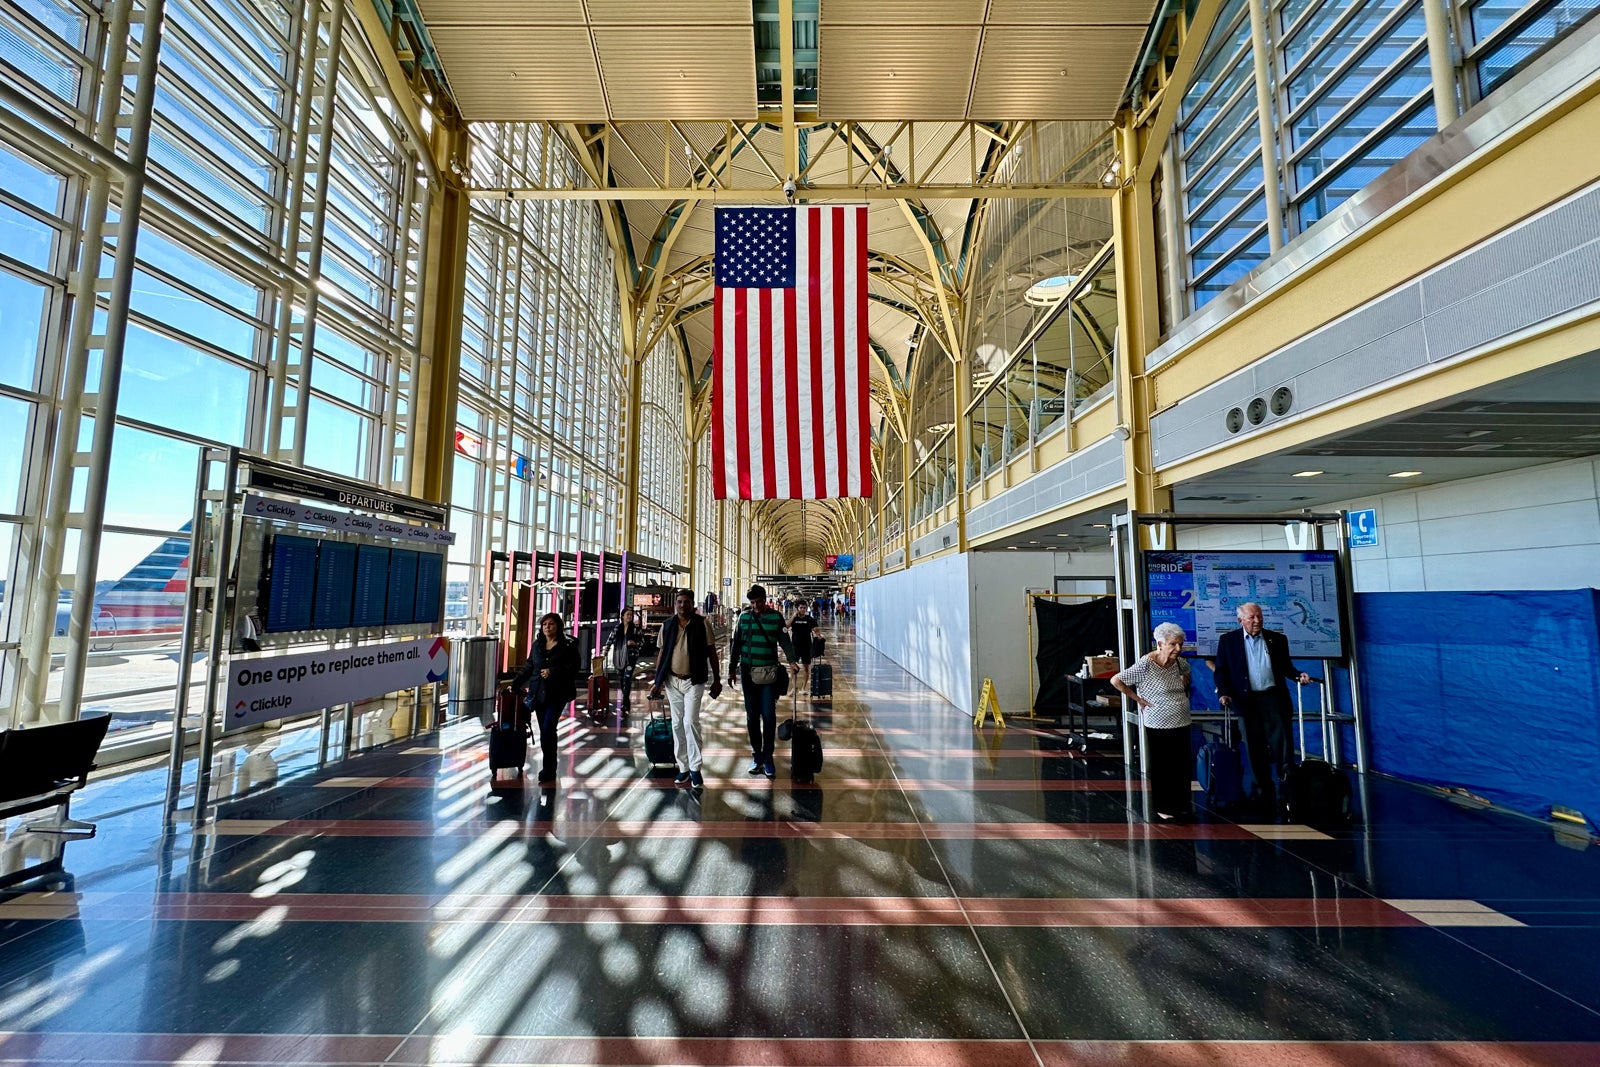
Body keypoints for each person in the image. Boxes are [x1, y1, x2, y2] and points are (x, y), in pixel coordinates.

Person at [1212, 601, 1311, 812]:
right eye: (1252, 617)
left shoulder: (1277, 639)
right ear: (1241, 621)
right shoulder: (1228, 641)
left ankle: (1287, 787)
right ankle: (1261, 789)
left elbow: (1286, 666)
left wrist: (1297, 675)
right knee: (1253, 745)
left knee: (1282, 743)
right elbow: (1221, 671)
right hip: (1246, 701)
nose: (1257, 621)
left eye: (1259, 616)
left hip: (1274, 698)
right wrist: (1224, 693)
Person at [1111, 623, 1194, 821]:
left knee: (1181, 764)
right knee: (1163, 765)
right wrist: (1138, 699)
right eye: (1173, 644)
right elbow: (1116, 680)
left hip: (1181, 719)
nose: (1178, 649)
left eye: (1180, 644)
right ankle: (1164, 807)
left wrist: (1182, 687)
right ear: (1160, 644)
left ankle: (1182, 805)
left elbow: (1187, 672)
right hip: (1158, 721)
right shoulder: (1146, 664)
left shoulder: (1179, 662)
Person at [648, 589, 723, 788]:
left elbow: (712, 653)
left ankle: (695, 768)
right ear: (676, 604)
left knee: (690, 722)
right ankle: (683, 767)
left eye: (686, 602)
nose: (682, 605)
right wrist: (657, 682)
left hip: (694, 681)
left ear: (692, 604)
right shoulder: (667, 625)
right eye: (679, 602)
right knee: (676, 725)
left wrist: (717, 679)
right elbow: (662, 653)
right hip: (672, 682)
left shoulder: (702, 624)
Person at [727, 583, 795, 778]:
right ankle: (756, 756)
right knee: (751, 717)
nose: (755, 605)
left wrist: (792, 662)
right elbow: (736, 645)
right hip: (748, 674)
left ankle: (768, 757)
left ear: (766, 600)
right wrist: (731, 670)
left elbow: (785, 642)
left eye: (759, 602)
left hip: (769, 674)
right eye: (752, 602)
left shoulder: (776, 617)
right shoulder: (744, 617)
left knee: (769, 716)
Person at [513, 612, 580, 786]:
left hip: (558, 693)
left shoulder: (568, 646)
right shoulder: (537, 645)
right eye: (544, 624)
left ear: (558, 626)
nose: (547, 627)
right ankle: (548, 765)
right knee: (545, 730)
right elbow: (529, 666)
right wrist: (515, 683)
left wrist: (554, 671)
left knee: (549, 727)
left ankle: (549, 768)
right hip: (538, 693)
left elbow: (574, 667)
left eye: (551, 624)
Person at [608, 608, 645, 711]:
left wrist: (634, 643)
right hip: (619, 656)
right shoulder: (617, 628)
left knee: (627, 678)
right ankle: (625, 698)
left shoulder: (635, 629)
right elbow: (610, 640)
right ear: (622, 616)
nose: (629, 616)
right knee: (621, 678)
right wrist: (604, 653)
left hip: (631, 657)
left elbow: (642, 642)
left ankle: (625, 701)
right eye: (627, 614)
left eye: (631, 615)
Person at [789, 602, 818, 674]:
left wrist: (816, 632)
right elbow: (786, 626)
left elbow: (816, 629)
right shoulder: (794, 619)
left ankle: (804, 685)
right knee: (793, 668)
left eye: (804, 608)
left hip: (806, 646)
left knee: (806, 668)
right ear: (797, 609)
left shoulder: (809, 619)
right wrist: (793, 617)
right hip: (795, 646)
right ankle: (794, 685)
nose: (803, 609)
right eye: (801, 608)